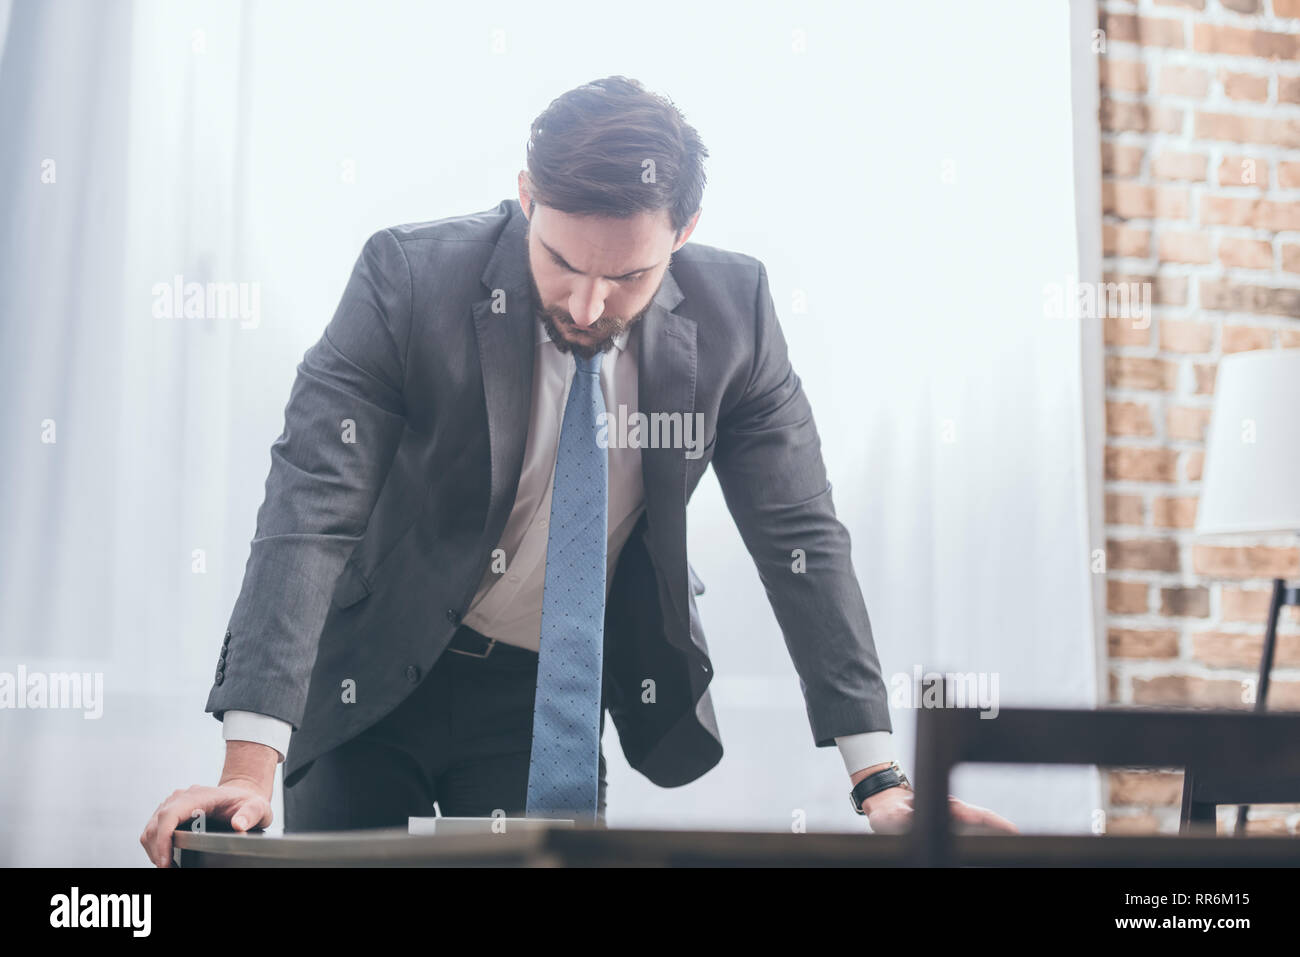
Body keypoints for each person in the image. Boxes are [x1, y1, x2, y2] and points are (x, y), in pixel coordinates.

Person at [140, 75, 1014, 867]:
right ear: (527, 201)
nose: (589, 305)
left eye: (628, 275)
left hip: (541, 688)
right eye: (560, 262)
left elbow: (803, 542)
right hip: (369, 667)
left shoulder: (735, 318)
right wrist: (249, 768)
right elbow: (310, 507)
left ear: (685, 233)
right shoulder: (407, 279)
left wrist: (882, 784)